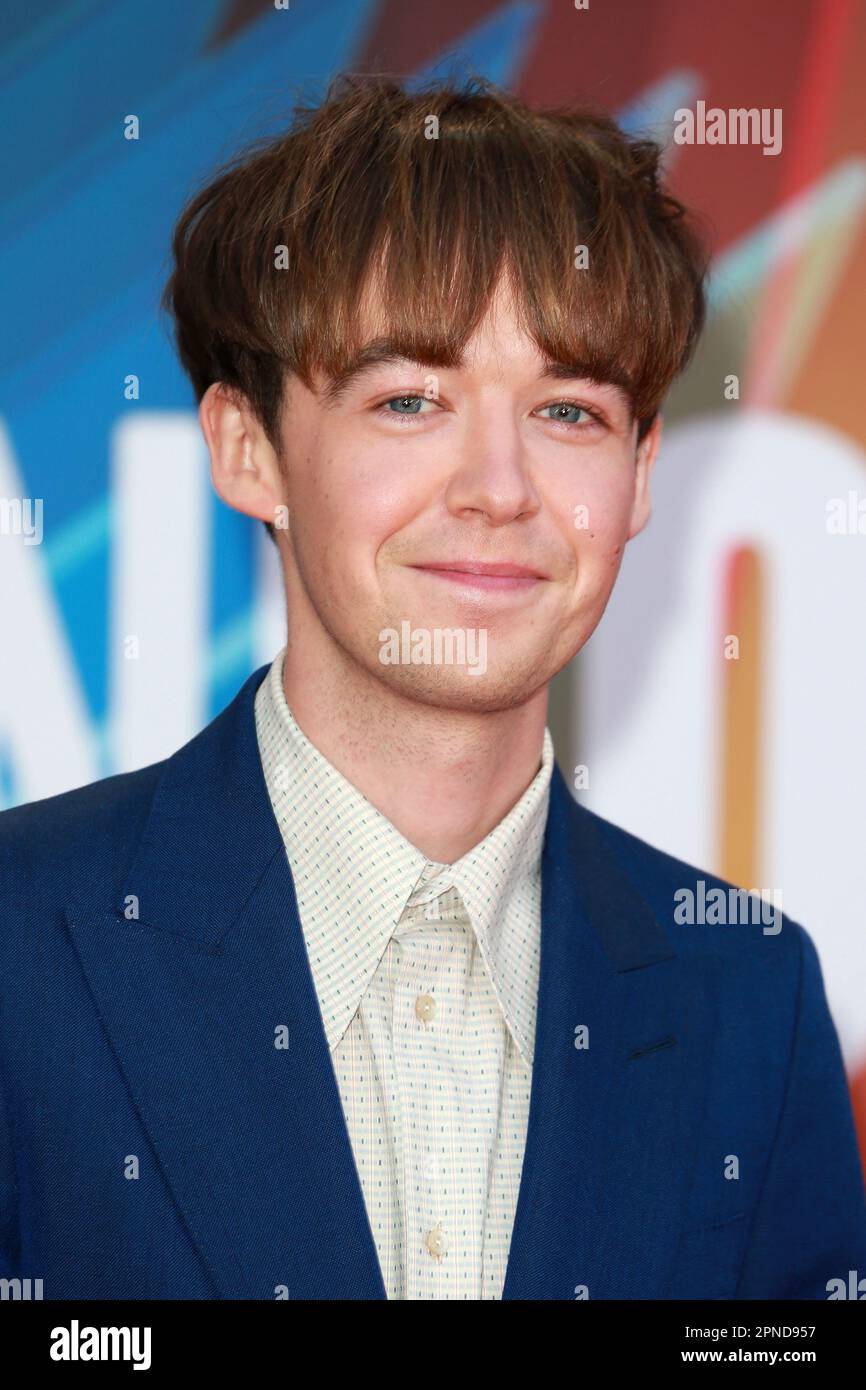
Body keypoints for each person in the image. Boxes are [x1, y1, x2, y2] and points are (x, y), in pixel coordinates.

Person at [1, 73, 864, 1301]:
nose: (497, 488)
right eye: (410, 400)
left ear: (639, 472)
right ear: (248, 448)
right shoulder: (23, 942)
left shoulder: (746, 996)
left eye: (567, 411)